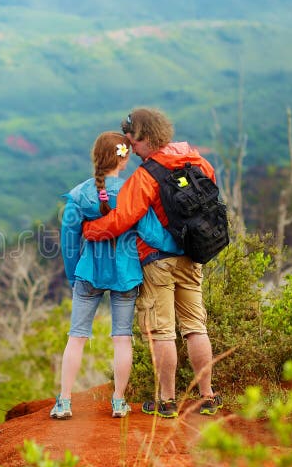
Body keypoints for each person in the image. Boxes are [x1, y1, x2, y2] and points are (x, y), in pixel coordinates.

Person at [82, 108, 223, 418]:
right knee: (196, 327)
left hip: (158, 262)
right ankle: (208, 396)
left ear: (144, 137)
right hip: (192, 254)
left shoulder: (145, 176)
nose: (129, 146)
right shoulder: (195, 159)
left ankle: (167, 401)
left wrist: (90, 230)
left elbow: (121, 219)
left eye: (131, 139)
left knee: (162, 332)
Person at [51, 131, 172, 420]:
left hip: (89, 273)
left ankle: (64, 401)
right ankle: (118, 402)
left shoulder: (79, 194)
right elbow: (152, 233)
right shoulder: (133, 190)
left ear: (96, 157)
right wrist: (180, 246)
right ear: (125, 157)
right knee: (122, 339)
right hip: (126, 273)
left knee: (76, 337)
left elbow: (69, 242)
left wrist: (73, 275)